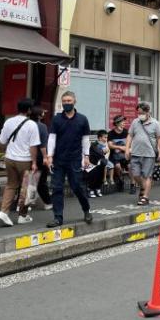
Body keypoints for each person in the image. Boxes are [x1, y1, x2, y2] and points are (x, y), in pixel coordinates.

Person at [47, 91, 93, 227]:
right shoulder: (56, 119)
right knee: (57, 188)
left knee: (77, 187)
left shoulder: (82, 119)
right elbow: (52, 138)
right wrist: (49, 156)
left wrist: (86, 156)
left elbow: (85, 139)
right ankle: (58, 217)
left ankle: (86, 210)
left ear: (74, 101)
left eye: (69, 101)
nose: (66, 103)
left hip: (75, 159)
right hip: (58, 160)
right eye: (64, 101)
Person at [0, 98, 40, 226]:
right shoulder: (32, 125)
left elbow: (2, 140)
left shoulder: (9, 121)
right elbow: (33, 147)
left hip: (9, 158)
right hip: (24, 159)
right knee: (28, 187)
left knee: (10, 185)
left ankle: (3, 212)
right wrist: (34, 162)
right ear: (29, 110)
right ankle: (23, 215)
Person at [126, 102, 160, 206]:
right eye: (138, 113)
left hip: (149, 154)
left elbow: (159, 138)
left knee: (146, 176)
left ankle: (145, 197)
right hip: (135, 153)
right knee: (136, 174)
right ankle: (143, 187)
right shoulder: (135, 122)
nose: (140, 115)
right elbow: (130, 136)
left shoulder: (155, 123)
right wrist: (127, 149)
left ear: (148, 112)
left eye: (142, 113)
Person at [30, 105, 53, 211]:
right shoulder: (42, 126)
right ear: (39, 115)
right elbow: (43, 144)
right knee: (41, 181)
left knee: (30, 180)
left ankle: (26, 204)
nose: (44, 113)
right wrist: (45, 157)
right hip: (39, 156)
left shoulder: (26, 124)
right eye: (43, 112)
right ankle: (47, 202)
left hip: (26, 156)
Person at [107, 116, 129, 191]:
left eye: (124, 122)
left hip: (125, 155)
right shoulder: (110, 133)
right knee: (117, 166)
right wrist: (120, 147)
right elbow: (110, 145)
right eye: (122, 122)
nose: (124, 123)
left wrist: (126, 148)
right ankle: (120, 179)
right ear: (117, 123)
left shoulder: (126, 132)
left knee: (132, 165)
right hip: (114, 155)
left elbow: (130, 143)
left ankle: (133, 184)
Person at [86, 130, 109, 198]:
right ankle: (91, 189)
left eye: (106, 137)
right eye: (104, 137)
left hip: (98, 164)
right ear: (99, 138)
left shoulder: (104, 144)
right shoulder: (94, 144)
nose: (106, 139)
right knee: (94, 171)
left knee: (101, 169)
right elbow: (99, 152)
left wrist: (104, 151)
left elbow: (104, 155)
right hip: (89, 164)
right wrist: (103, 151)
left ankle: (97, 188)